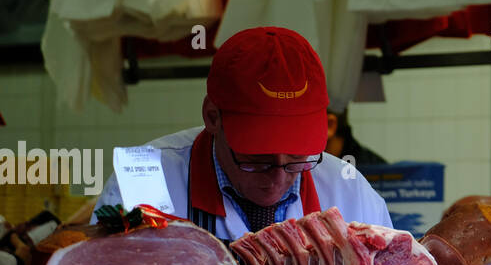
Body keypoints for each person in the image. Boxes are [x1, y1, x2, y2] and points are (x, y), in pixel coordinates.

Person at [96, 27, 391, 240]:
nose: (277, 178)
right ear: (213, 117)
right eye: (258, 159)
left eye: (296, 159)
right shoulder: (143, 182)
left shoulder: (352, 194)